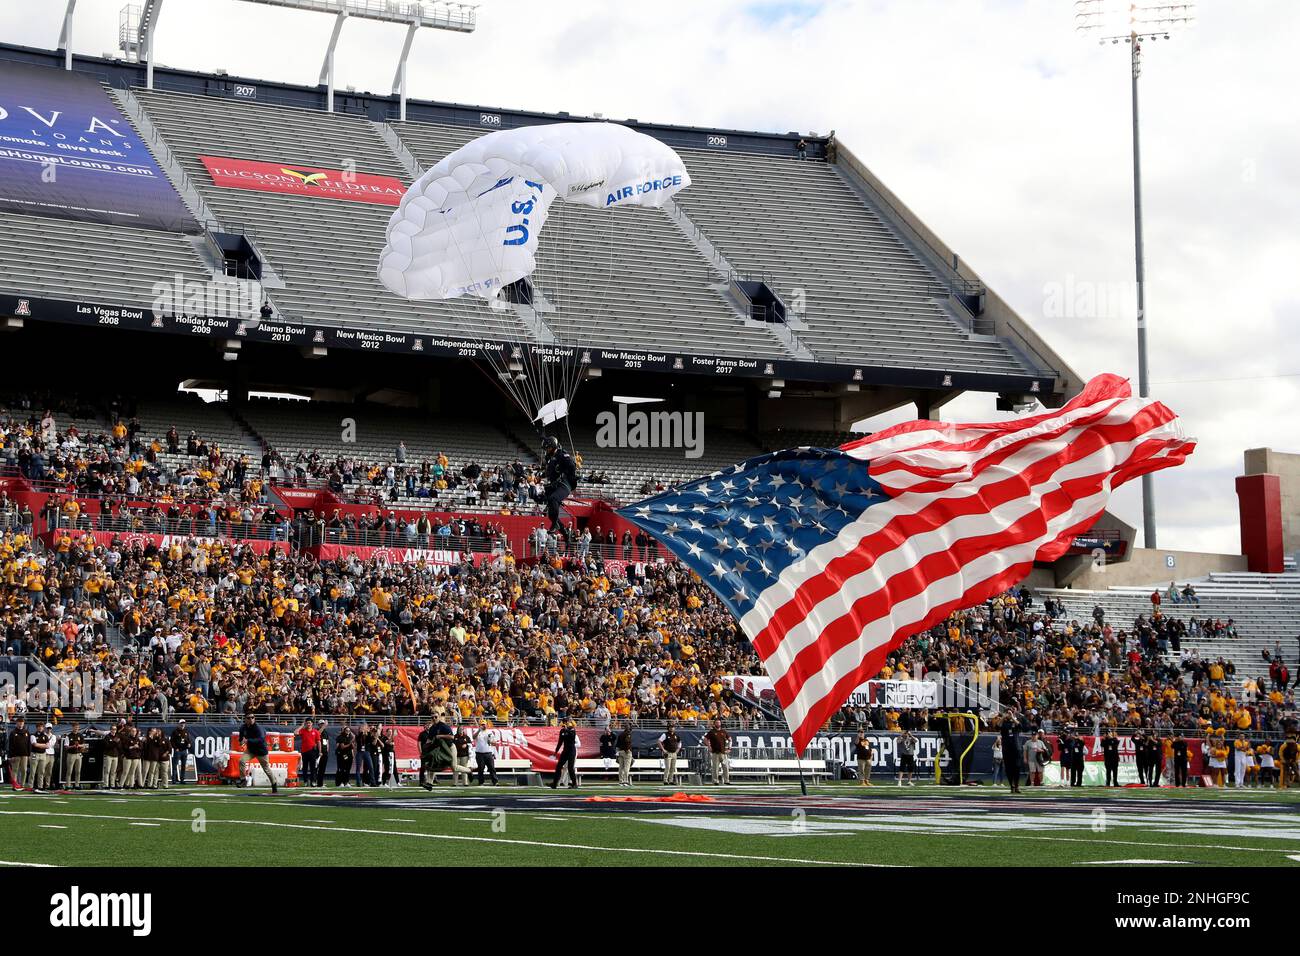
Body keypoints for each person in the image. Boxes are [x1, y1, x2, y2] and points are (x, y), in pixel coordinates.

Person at [541, 436, 578, 533]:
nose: (546, 450)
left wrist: (564, 472)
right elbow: (549, 471)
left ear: (553, 446)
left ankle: (555, 525)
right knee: (550, 512)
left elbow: (571, 466)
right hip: (554, 485)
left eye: (548, 448)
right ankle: (563, 531)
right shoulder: (549, 457)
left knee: (553, 498)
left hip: (564, 484)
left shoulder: (561, 454)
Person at [237, 713, 278, 793]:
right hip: (251, 750)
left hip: (261, 751)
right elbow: (241, 738)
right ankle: (243, 780)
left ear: (254, 718)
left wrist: (248, 740)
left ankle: (274, 784)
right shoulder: (243, 727)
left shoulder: (258, 728)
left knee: (266, 769)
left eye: (252, 717)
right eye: (249, 718)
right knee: (242, 761)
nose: (251, 719)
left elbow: (261, 739)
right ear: (245, 719)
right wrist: (241, 741)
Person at [551, 720, 578, 789]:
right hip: (565, 750)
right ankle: (555, 783)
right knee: (559, 766)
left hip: (571, 750)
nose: (563, 723)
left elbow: (572, 737)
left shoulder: (572, 730)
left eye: (565, 722)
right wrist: (556, 751)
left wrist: (566, 730)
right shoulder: (562, 731)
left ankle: (574, 784)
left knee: (570, 767)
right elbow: (560, 742)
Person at [7, 717, 31, 791]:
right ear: (16, 723)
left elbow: (29, 744)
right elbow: (10, 745)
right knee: (15, 770)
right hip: (16, 755)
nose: (21, 724)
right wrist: (11, 756)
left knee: (24, 770)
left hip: (25, 755)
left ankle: (22, 785)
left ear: (23, 723)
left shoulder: (27, 732)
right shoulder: (13, 732)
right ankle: (14, 785)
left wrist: (29, 755)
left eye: (22, 722)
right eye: (19, 722)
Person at [704, 719, 730, 785]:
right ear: (714, 724)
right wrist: (709, 746)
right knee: (715, 768)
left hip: (723, 752)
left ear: (720, 723)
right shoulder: (712, 732)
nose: (718, 724)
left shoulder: (723, 731)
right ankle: (715, 781)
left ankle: (727, 780)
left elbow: (730, 739)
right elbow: (705, 739)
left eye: (719, 722)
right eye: (716, 722)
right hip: (715, 752)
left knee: (726, 767)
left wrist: (729, 748)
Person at [473, 722, 499, 786]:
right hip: (479, 753)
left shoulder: (490, 732)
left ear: (486, 725)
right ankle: (481, 782)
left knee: (491, 768)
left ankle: (495, 782)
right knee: (480, 768)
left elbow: (495, 743)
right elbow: (473, 737)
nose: (483, 726)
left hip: (488, 753)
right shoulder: (478, 732)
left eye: (484, 724)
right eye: (482, 724)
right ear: (480, 725)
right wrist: (479, 730)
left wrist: (490, 741)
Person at [31, 722, 55, 791]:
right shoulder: (40, 735)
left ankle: (44, 785)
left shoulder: (52, 736)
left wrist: (40, 745)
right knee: (36, 770)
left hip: (49, 754)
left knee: (46, 771)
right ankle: (33, 785)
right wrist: (43, 745)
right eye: (48, 728)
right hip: (41, 753)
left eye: (50, 728)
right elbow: (35, 744)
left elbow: (48, 746)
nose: (49, 730)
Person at [296, 719, 320, 789]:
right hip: (304, 752)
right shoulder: (303, 730)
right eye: (307, 723)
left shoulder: (315, 731)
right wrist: (301, 726)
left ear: (312, 723)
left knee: (313, 768)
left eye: (309, 723)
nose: (308, 724)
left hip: (312, 751)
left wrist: (320, 751)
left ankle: (313, 782)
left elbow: (318, 742)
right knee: (305, 768)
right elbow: (295, 732)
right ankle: (305, 782)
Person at [999, 718, 1021, 794]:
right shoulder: (1003, 724)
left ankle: (1017, 785)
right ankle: (1012, 786)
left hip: (1016, 748)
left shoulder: (1015, 723)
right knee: (1008, 769)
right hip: (1006, 749)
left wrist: (1012, 717)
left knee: (1017, 767)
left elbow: (1020, 725)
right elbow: (997, 726)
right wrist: (1003, 717)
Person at [64, 721, 87, 790]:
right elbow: (66, 746)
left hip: (79, 754)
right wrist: (73, 746)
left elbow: (83, 744)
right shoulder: (69, 736)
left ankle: (77, 784)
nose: (76, 728)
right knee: (69, 771)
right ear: (72, 727)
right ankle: (68, 785)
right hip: (71, 754)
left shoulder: (80, 735)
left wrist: (79, 745)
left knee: (78, 771)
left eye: (77, 727)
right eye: (75, 727)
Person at [170, 720, 193, 786]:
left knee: (183, 766)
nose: (182, 725)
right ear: (178, 724)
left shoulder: (186, 731)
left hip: (184, 750)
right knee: (175, 765)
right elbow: (172, 741)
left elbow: (188, 739)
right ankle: (174, 780)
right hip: (178, 751)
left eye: (183, 723)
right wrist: (175, 748)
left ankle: (182, 779)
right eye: (181, 723)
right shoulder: (175, 731)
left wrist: (189, 743)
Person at [335, 723, 356, 787]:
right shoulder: (340, 737)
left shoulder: (350, 737)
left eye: (349, 731)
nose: (348, 732)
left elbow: (352, 747)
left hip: (349, 755)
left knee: (347, 769)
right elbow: (342, 747)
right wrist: (350, 743)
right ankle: (340, 782)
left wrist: (353, 756)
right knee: (341, 769)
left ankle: (346, 782)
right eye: (346, 730)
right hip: (342, 755)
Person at [616, 721, 634, 787]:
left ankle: (620, 781)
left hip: (620, 752)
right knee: (626, 767)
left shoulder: (620, 734)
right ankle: (625, 781)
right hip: (626, 752)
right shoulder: (628, 734)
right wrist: (627, 750)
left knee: (621, 767)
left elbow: (617, 745)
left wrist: (617, 752)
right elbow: (627, 742)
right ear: (628, 727)